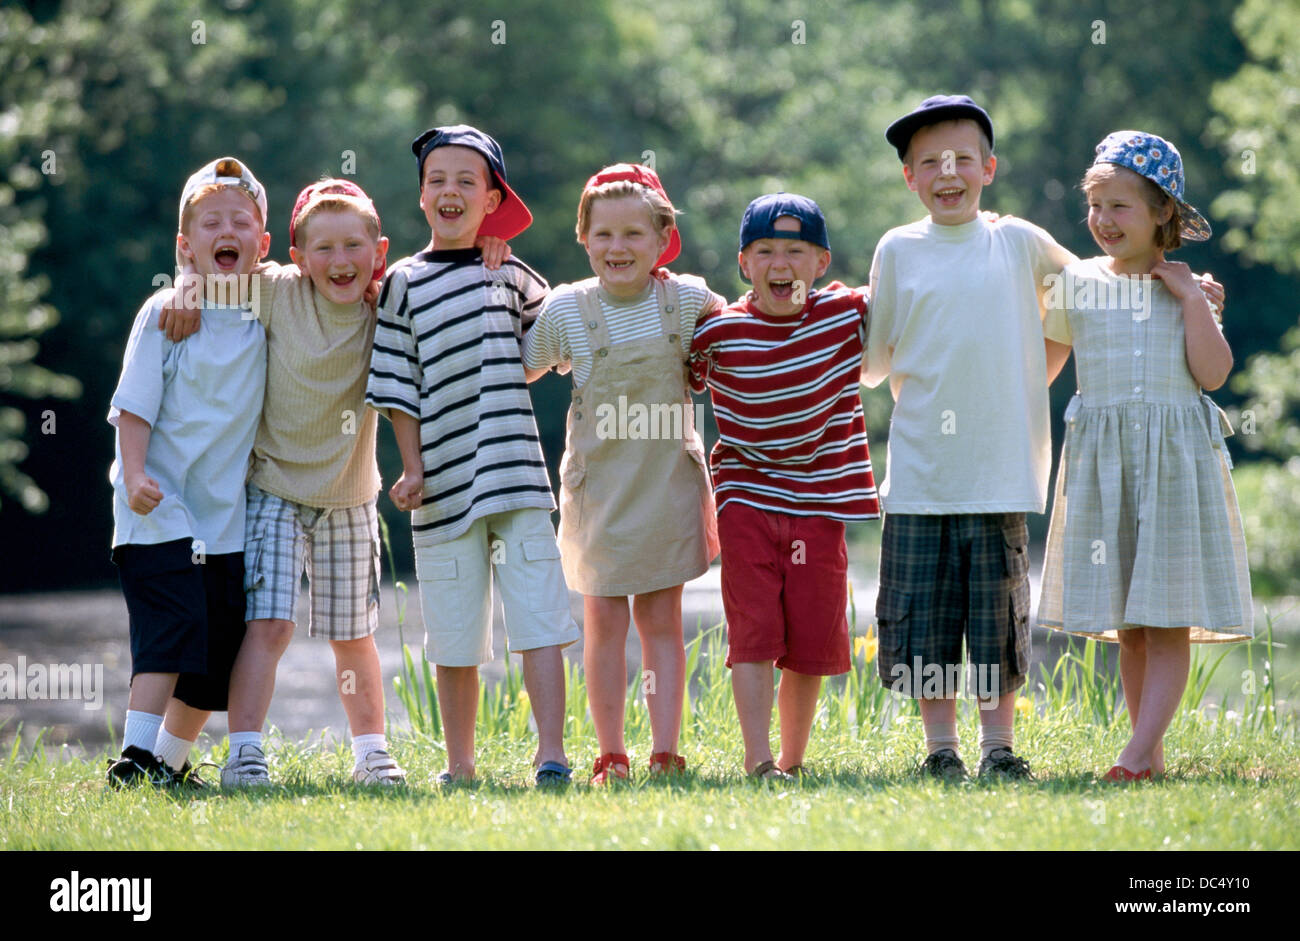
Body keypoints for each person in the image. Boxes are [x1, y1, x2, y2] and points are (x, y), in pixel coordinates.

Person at [366, 124, 579, 786]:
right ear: (421, 197)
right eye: (438, 180)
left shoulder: (509, 272)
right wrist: (413, 465)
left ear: (492, 200)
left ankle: (552, 755)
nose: (450, 191)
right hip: (442, 488)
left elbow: (557, 339)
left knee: (540, 620)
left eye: (467, 181)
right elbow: (397, 382)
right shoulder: (402, 281)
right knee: (454, 636)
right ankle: (461, 765)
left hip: (516, 477)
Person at [1037, 131, 1251, 782]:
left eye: (1120, 206)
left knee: (1166, 618)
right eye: (1094, 205)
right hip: (1106, 470)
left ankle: (1133, 755)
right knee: (1128, 623)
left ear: (1163, 212)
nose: (1102, 219)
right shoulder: (1074, 284)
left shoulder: (1189, 291)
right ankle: (1147, 753)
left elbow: (1212, 374)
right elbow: (1038, 373)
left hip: (1176, 469)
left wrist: (1192, 300)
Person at [522, 164, 722, 783]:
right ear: (584, 238)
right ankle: (611, 751)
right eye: (603, 234)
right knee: (602, 624)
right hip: (599, 490)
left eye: (634, 234)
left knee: (660, 620)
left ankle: (666, 750)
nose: (618, 247)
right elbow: (518, 368)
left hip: (665, 485)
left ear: (662, 238)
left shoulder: (688, 301)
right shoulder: (565, 310)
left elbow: (736, 343)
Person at [206, 179, 408, 787]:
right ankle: (244, 752)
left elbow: (455, 267)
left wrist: (494, 250)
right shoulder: (275, 292)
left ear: (380, 251)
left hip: (350, 497)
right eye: (323, 248)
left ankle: (372, 753)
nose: (340, 261)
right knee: (269, 627)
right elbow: (211, 268)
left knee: (354, 635)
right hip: (273, 488)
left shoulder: (389, 302)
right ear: (295, 256)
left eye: (354, 246)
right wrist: (188, 291)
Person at [690, 193, 878, 779]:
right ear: (744, 264)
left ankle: (792, 762)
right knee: (753, 630)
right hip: (745, 499)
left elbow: (917, 284)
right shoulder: (717, 332)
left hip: (820, 504)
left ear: (821, 262)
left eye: (796, 250)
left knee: (811, 637)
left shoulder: (848, 314)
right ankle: (758, 759)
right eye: (765, 251)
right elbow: (664, 370)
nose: (781, 264)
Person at [105, 157, 269, 789]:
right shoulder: (167, 314)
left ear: (261, 241)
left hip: (224, 522)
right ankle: (135, 758)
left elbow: (329, 271)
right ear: (186, 244)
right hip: (157, 510)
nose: (225, 230)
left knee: (215, 658)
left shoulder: (266, 308)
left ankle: (169, 766)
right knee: (171, 634)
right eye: (210, 222)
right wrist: (136, 475)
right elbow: (134, 406)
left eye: (240, 221)